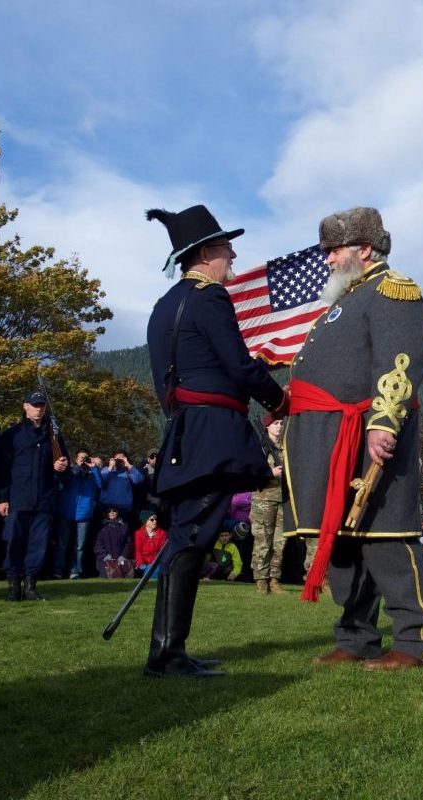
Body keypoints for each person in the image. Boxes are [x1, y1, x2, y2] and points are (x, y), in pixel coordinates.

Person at [283, 206, 423, 671]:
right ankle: (355, 637)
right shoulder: (347, 298)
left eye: (334, 250)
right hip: (335, 440)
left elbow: (398, 366)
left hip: (368, 434)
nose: (327, 259)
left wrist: (382, 425)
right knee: (346, 541)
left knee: (388, 539)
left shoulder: (394, 291)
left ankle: (413, 644)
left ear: (364, 249)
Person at [145, 203, 287, 677]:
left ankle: (168, 650)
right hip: (210, 435)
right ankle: (167, 654)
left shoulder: (163, 306)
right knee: (192, 538)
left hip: (184, 433)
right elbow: (238, 364)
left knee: (187, 536)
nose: (233, 254)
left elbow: (164, 384)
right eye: (226, 247)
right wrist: (279, 400)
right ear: (206, 253)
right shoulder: (209, 299)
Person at [0, 389, 68, 602]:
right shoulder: (13, 434)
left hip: (44, 499)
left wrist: (61, 466)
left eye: (41, 405)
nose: (39, 409)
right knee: (13, 543)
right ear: (25, 406)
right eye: (35, 405)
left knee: (38, 545)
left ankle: (30, 586)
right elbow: (3, 468)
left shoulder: (53, 436)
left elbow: (64, 465)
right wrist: (3, 497)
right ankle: (13, 586)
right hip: (18, 498)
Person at [251, 413, 286, 595]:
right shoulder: (259, 448)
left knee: (279, 542)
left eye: (281, 423)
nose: (279, 426)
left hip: (283, 500)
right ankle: (261, 579)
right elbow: (250, 473)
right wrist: (269, 473)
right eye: (275, 423)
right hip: (264, 499)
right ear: (267, 427)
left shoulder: (285, 448)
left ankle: (274, 579)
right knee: (263, 540)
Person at [58, 449, 103, 579]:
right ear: (76, 459)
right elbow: (63, 482)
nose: (83, 461)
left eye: (86, 458)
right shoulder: (71, 472)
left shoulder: (92, 476)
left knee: (79, 546)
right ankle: (58, 571)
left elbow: (101, 485)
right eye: (80, 458)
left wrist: (93, 469)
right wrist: (77, 468)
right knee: (62, 544)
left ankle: (77, 571)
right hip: (67, 512)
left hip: (84, 514)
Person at [100, 449, 144, 525]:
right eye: (117, 458)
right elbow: (100, 481)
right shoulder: (106, 470)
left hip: (124, 508)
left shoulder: (128, 471)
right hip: (108, 508)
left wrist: (128, 465)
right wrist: (110, 467)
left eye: (122, 458)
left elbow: (139, 480)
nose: (119, 461)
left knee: (123, 533)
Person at [94, 507, 133, 579]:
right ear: (105, 513)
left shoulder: (124, 526)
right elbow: (97, 545)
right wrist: (105, 556)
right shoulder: (101, 527)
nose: (112, 512)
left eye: (114, 510)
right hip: (105, 560)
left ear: (118, 512)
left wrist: (123, 555)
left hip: (120, 559)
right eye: (109, 511)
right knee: (108, 575)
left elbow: (128, 543)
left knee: (124, 575)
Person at [134, 512, 168, 576]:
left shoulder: (162, 533)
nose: (155, 521)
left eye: (156, 519)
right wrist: (141, 564)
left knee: (154, 570)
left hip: (156, 563)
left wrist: (156, 562)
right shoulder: (138, 534)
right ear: (145, 522)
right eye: (152, 519)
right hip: (143, 564)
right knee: (146, 569)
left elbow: (162, 551)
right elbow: (138, 550)